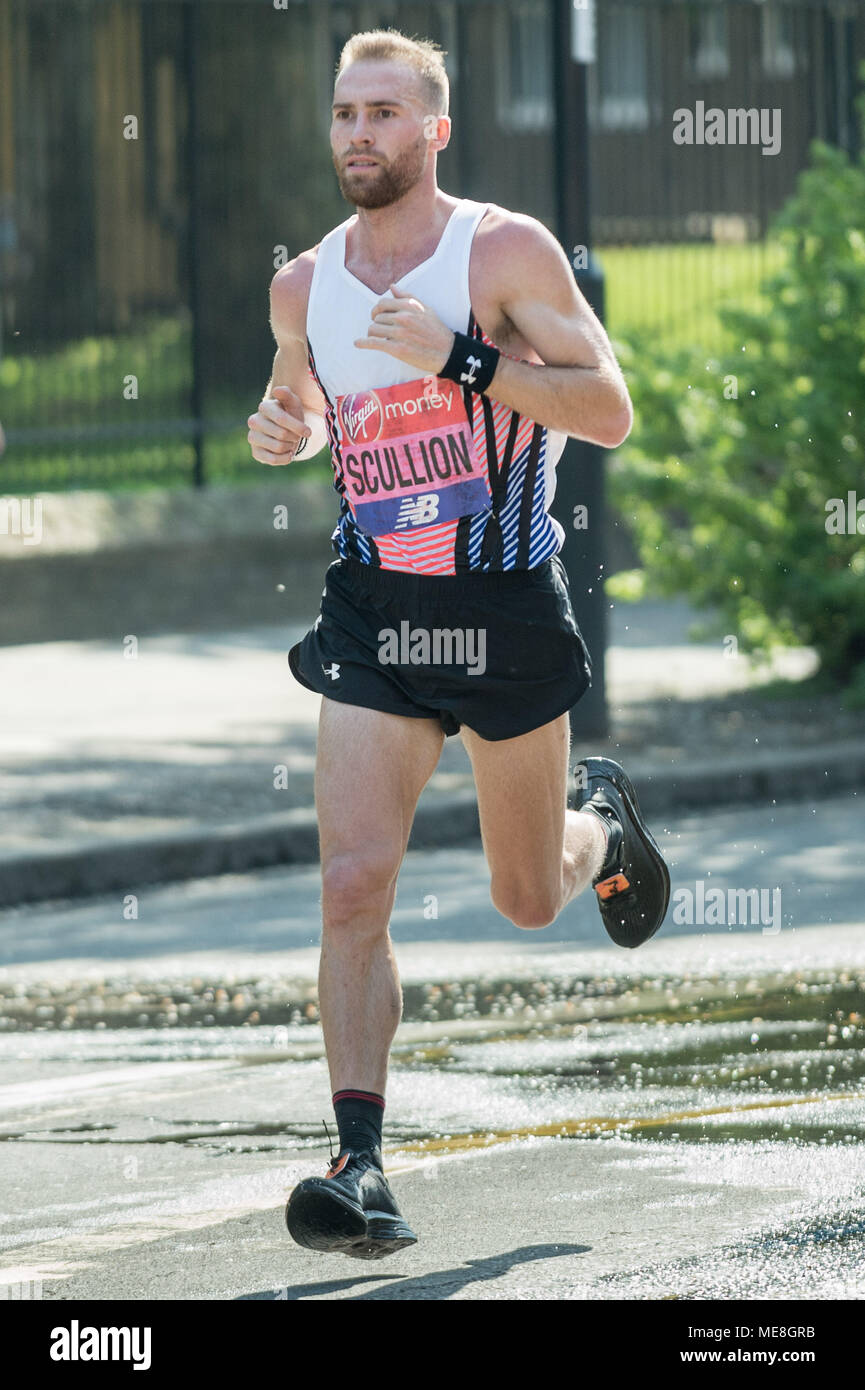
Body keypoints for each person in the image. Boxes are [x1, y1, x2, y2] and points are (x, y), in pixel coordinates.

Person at [247, 28, 670, 1261]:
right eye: (342, 113)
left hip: (502, 612)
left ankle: (598, 820)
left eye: (384, 112)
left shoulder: (499, 250)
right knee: (349, 885)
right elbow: (310, 404)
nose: (358, 133)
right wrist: (287, 428)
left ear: (434, 130)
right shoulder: (301, 284)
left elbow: (609, 407)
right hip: (373, 611)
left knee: (527, 897)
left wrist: (467, 360)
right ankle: (361, 1161)